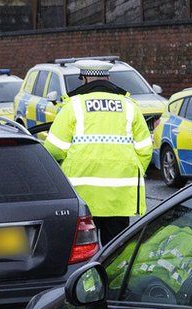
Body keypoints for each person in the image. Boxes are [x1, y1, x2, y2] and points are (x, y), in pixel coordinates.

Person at [43, 59, 152, 245]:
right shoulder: (129, 106)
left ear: (84, 79)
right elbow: (145, 149)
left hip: (83, 196)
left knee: (84, 251)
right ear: (108, 78)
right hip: (120, 197)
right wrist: (130, 171)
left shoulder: (73, 106)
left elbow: (54, 149)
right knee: (116, 252)